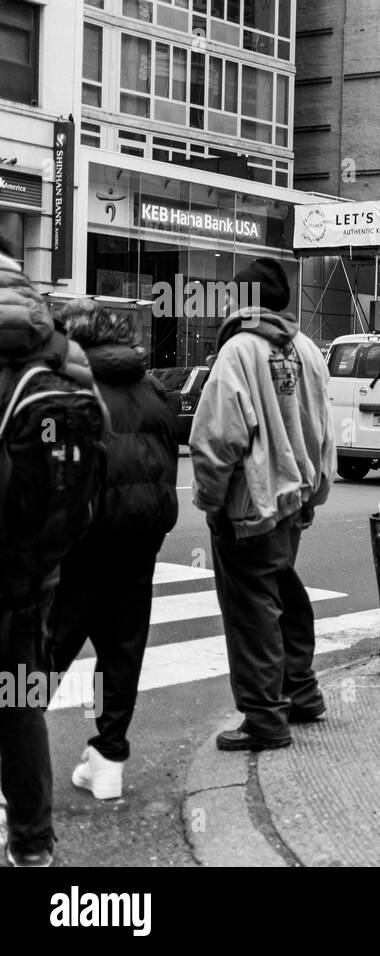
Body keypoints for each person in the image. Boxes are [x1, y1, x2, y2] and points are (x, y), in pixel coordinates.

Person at [189, 258, 334, 752]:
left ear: (243, 297)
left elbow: (215, 438)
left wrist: (210, 501)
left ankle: (265, 720)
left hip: (248, 505)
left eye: (230, 293)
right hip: (293, 500)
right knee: (283, 596)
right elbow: (323, 432)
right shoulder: (309, 350)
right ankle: (302, 694)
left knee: (251, 611)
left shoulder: (238, 351)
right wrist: (314, 493)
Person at [46, 302, 179, 800]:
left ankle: (12, 755)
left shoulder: (66, 389)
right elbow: (169, 464)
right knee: (122, 652)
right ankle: (108, 759)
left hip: (78, 542)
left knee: (46, 652)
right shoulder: (153, 392)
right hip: (138, 540)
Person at [0, 253, 108, 867]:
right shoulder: (60, 349)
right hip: (39, 565)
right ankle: (34, 845)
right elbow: (96, 454)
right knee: (19, 700)